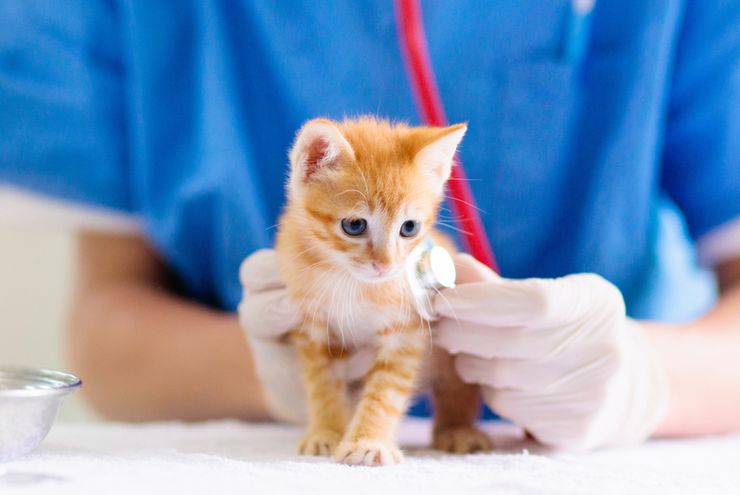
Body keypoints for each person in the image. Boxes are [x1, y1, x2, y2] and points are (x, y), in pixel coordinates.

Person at [0, 1, 738, 448]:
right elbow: (106, 321)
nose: (386, 259)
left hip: (630, 456)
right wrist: (272, 370)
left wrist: (647, 377)